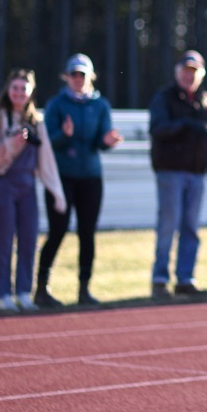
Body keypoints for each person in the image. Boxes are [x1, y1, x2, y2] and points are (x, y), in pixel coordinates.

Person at [36, 54, 123, 307]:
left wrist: (107, 142)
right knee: (58, 231)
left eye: (82, 75)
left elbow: (101, 140)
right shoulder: (56, 104)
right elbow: (46, 141)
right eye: (73, 74)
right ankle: (41, 289)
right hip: (61, 177)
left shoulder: (101, 105)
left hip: (90, 177)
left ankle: (84, 290)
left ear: (90, 77)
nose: (77, 79)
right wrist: (64, 135)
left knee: (87, 233)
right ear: (66, 77)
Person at [0, 69, 66, 312]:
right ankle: (3, 293)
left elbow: (46, 159)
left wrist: (57, 193)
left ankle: (23, 292)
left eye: (24, 89)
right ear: (8, 90)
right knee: (4, 240)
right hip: (1, 183)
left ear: (31, 93)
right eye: (15, 88)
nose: (19, 93)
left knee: (29, 240)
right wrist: (13, 143)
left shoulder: (36, 122)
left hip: (27, 186)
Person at [149, 50, 207, 299]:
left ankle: (185, 279)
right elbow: (157, 128)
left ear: (201, 75)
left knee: (191, 228)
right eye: (186, 71)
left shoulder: (206, 100)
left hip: (197, 173)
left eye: (194, 72)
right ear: (177, 72)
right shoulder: (164, 97)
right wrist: (185, 125)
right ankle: (160, 280)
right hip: (171, 171)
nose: (190, 76)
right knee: (168, 226)